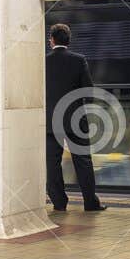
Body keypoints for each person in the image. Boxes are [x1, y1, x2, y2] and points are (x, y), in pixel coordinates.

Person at [44, 24, 107, 212]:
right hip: (75, 120)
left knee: (52, 162)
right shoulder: (79, 60)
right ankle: (90, 202)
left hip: (50, 121)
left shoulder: (43, 61)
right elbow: (88, 90)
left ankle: (59, 202)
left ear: (52, 40)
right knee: (83, 161)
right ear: (68, 40)